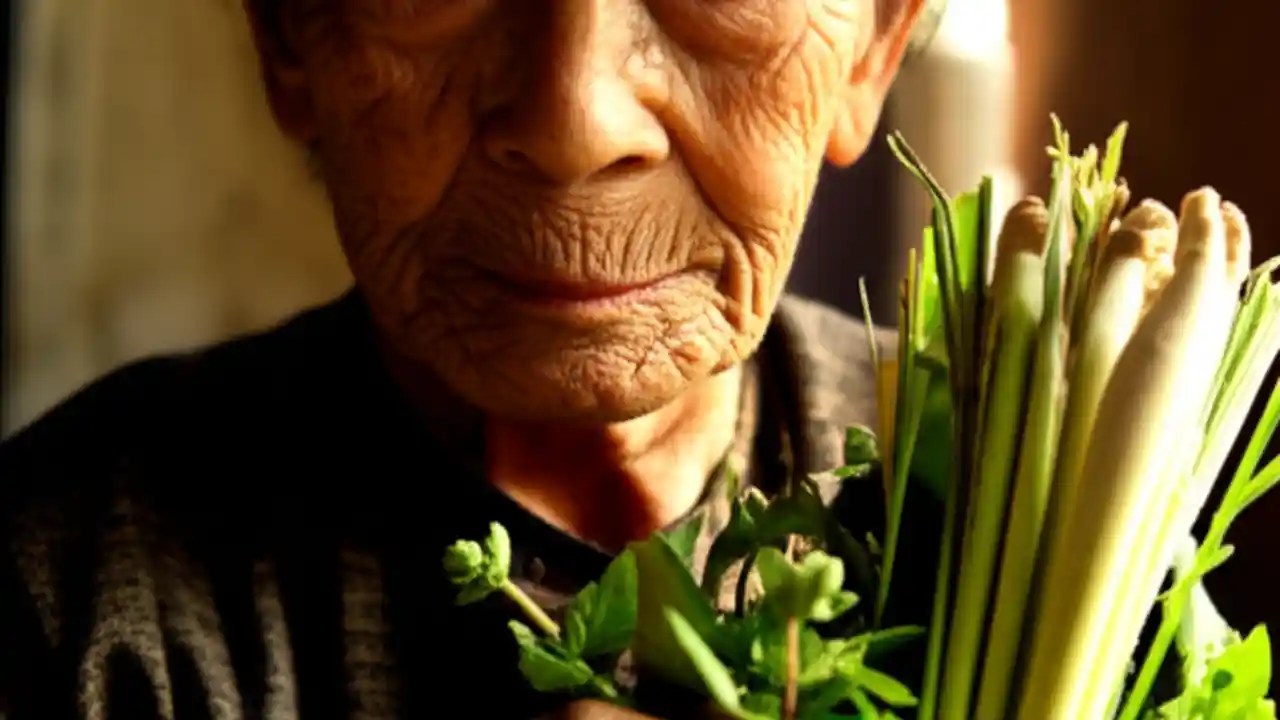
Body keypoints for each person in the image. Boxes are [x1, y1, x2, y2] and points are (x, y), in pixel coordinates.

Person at [0, 1, 934, 717]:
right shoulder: (59, 601)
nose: (576, 124)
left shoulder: (992, 509)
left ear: (873, 44)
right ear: (288, 38)